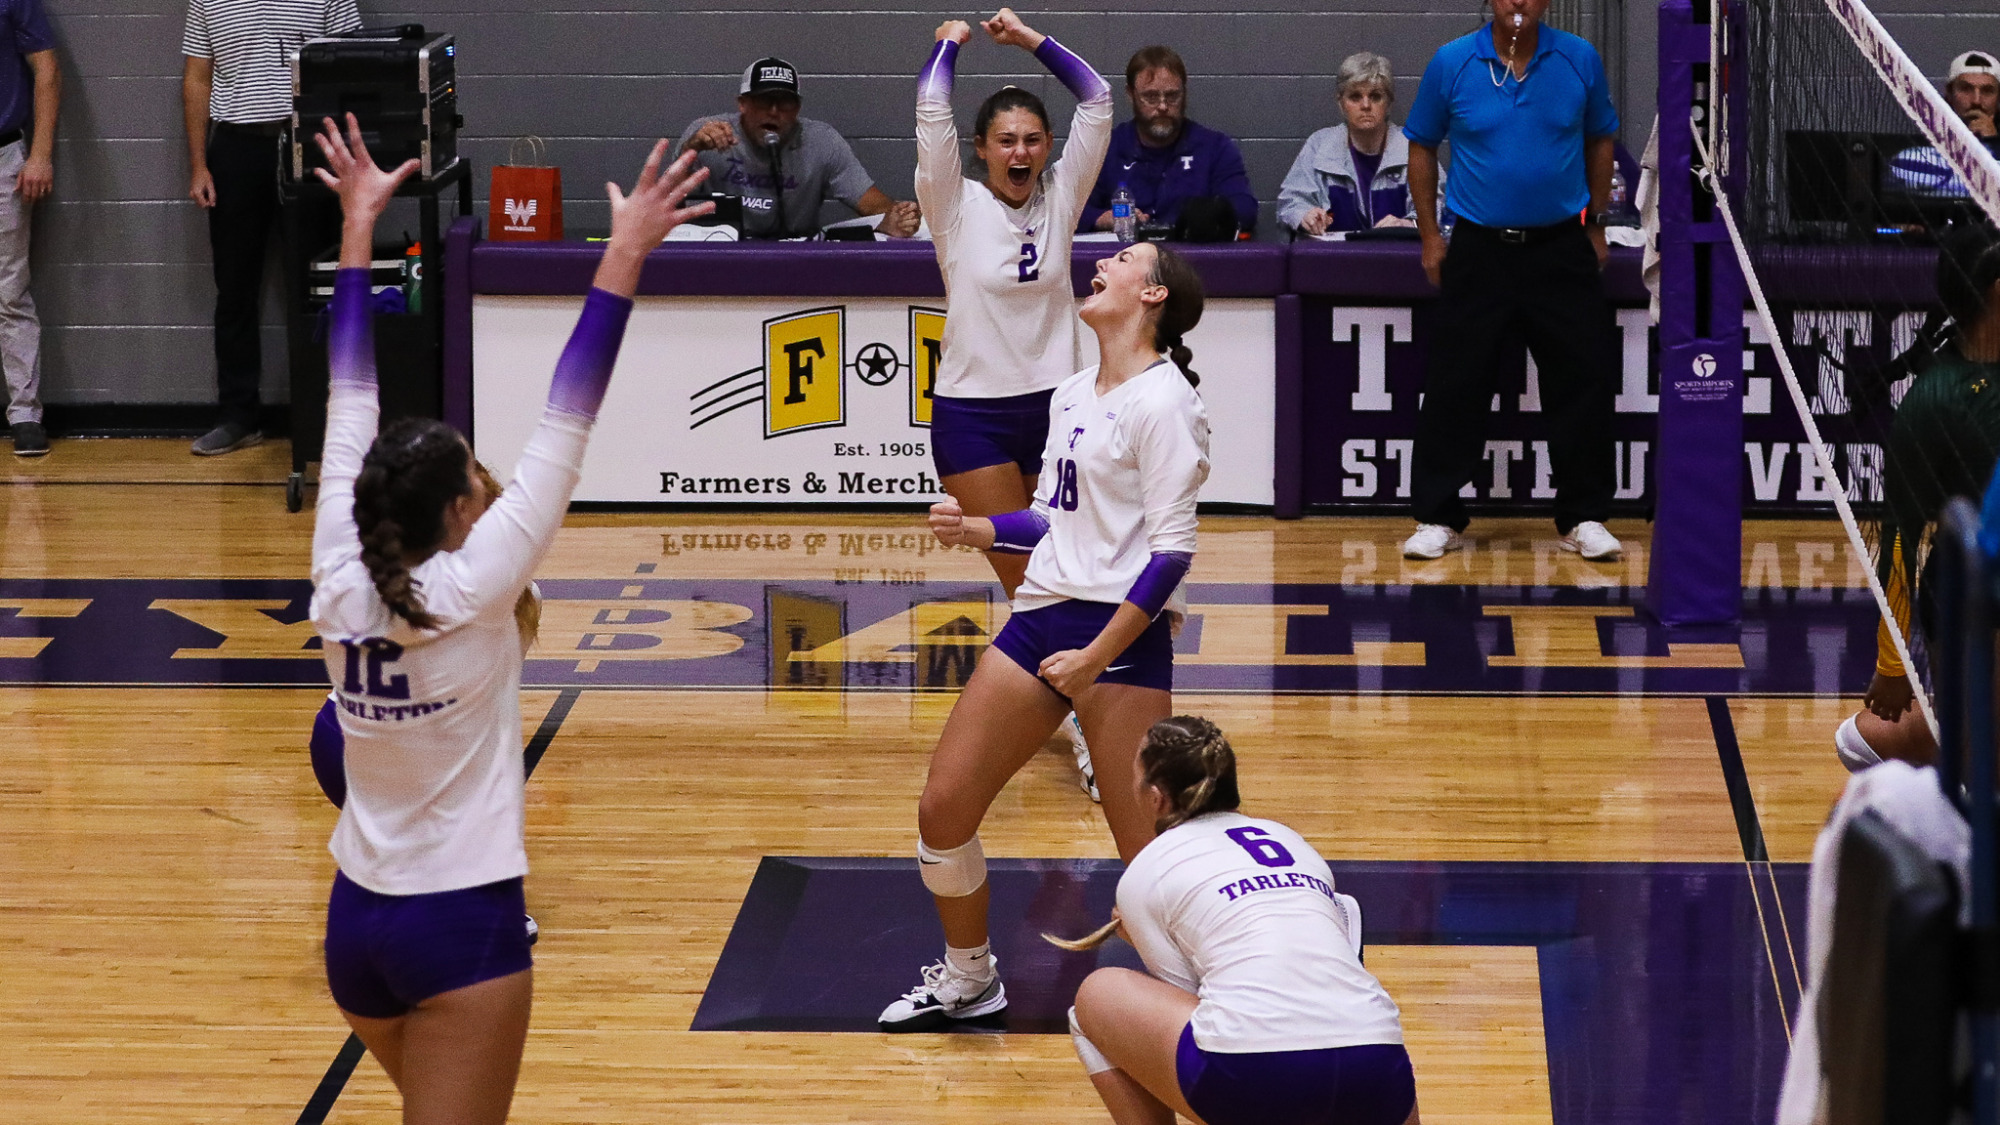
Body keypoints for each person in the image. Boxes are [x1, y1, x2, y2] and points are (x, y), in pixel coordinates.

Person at [307, 113, 711, 1120]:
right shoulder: (477, 588)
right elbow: (569, 411)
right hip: (460, 930)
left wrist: (357, 227)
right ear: (459, 512)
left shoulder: (335, 573)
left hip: (354, 925)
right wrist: (624, 253)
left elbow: (346, 388)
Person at [877, 239, 1211, 1032]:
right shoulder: (1071, 393)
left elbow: (1172, 553)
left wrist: (1098, 656)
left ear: (1154, 295)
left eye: (1125, 258)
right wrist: (978, 528)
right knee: (943, 808)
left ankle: (1213, 1002)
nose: (1103, 263)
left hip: (1119, 637)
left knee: (1150, 860)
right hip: (1038, 620)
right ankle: (969, 977)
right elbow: (1053, 520)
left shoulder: (1165, 402)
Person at [913, 9, 1113, 797]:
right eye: (1007, 140)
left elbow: (1097, 100)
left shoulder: (1062, 195)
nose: (1023, 152)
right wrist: (950, 45)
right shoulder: (953, 205)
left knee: (1082, 573)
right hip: (978, 418)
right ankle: (1091, 725)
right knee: (1037, 584)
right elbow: (930, 112)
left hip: (1063, 413)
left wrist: (1031, 40)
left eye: (1033, 138)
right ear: (983, 151)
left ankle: (1074, 705)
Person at [1055, 716, 1418, 1125]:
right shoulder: (1292, 841)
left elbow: (1192, 999)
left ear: (1156, 798)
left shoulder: (1147, 870)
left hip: (1252, 1071)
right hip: (1379, 1059)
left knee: (1095, 998)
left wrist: (1137, 938)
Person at [1399, 0, 1625, 563]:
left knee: (1582, 380)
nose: (1517, 1)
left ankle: (1584, 516)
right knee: (1456, 383)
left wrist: (1595, 222)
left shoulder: (1579, 59)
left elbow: (1600, 140)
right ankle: (1437, 516)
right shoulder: (1451, 62)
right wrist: (1431, 236)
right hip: (1478, 250)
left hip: (1560, 249)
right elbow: (1422, 145)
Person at [1837, 221, 2000, 772]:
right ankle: (1901, 740)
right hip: (1976, 602)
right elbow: (1899, 539)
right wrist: (1892, 663)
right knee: (1984, 775)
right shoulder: (1935, 402)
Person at [181, 0, 361, 457]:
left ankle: (330, 413)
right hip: (237, 148)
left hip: (308, 143)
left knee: (319, 286)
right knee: (235, 288)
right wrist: (199, 165)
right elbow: (198, 79)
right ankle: (238, 416)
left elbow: (353, 67)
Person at [677, 57, 920, 239]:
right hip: (723, 253)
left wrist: (894, 217)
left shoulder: (821, 142)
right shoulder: (707, 135)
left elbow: (871, 203)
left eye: (784, 102)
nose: (774, 111)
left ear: (797, 108)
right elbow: (664, 206)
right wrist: (690, 153)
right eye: (764, 101)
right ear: (743, 104)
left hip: (795, 253)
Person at [1079, 47, 1257, 239]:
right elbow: (1068, 211)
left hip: (1192, 259)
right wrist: (1102, 218)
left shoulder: (1215, 148)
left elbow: (1246, 208)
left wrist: (1207, 215)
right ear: (1130, 94)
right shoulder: (1105, 148)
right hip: (1122, 259)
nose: (1163, 106)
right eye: (1151, 97)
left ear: (1184, 94)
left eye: (1172, 96)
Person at [1276, 52, 1427, 238]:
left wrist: (1409, 223)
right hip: (1334, 260)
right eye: (1355, 97)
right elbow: (1290, 202)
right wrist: (1304, 215)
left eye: (1375, 96)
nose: (1365, 105)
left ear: (1388, 104)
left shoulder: (1413, 148)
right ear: (1341, 103)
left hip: (1398, 259)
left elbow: (1440, 209)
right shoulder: (1320, 145)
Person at [0, 0, 55, 458]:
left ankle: (24, 414)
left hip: (4, 158)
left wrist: (39, 153)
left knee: (10, 290)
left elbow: (47, 70)